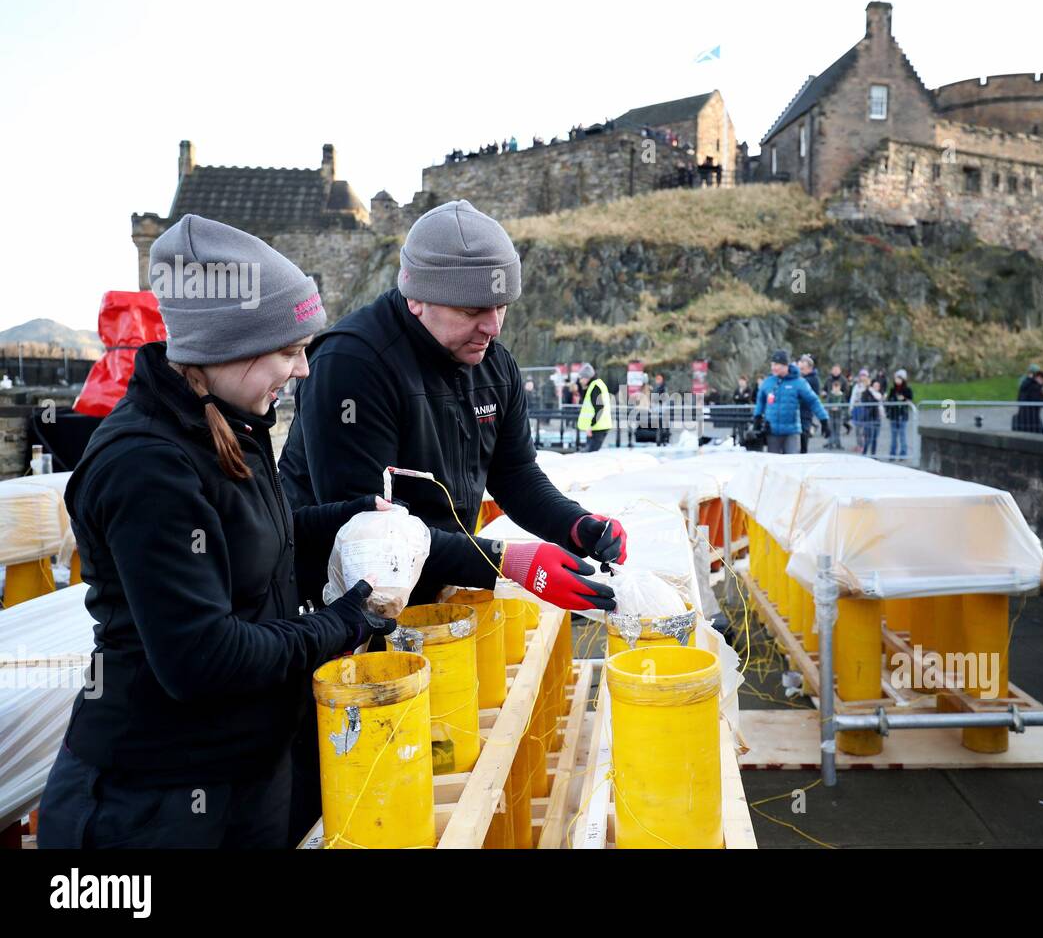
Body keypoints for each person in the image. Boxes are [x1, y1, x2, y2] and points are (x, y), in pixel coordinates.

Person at [37, 215, 395, 849]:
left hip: (247, 775)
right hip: (155, 802)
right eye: (289, 350)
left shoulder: (234, 419)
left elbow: (258, 543)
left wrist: (350, 516)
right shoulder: (145, 464)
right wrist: (346, 622)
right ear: (225, 346)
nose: (306, 370)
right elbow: (201, 656)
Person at [277, 200, 627, 842]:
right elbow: (369, 542)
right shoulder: (352, 364)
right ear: (417, 298)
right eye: (473, 310)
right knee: (349, 788)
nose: (492, 326)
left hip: (438, 587)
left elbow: (515, 474)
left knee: (445, 763)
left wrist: (576, 526)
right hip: (336, 604)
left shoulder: (491, 362)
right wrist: (509, 563)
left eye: (500, 309)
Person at [753, 349, 828, 454]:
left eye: (776, 364)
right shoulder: (768, 382)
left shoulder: (799, 382)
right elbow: (760, 401)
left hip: (791, 432)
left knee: (791, 463)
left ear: (785, 366)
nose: (773, 368)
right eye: (772, 364)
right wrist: (757, 417)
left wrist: (824, 419)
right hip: (772, 431)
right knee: (773, 463)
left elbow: (813, 401)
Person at [576, 363, 611, 451]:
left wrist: (591, 426)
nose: (580, 381)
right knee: (589, 456)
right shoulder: (596, 385)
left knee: (590, 456)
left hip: (597, 428)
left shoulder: (595, 387)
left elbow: (599, 408)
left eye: (581, 378)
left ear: (587, 377)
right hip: (597, 427)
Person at [851, 372, 885, 456]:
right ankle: (864, 453)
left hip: (877, 417)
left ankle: (873, 454)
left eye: (878, 386)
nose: (876, 387)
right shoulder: (866, 393)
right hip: (869, 418)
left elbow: (880, 401)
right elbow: (865, 401)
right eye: (875, 385)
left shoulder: (879, 394)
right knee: (868, 438)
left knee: (875, 438)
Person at [885, 369, 914, 457]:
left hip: (902, 415)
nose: (897, 380)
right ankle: (892, 453)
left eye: (899, 378)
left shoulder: (907, 389)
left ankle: (903, 453)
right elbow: (889, 400)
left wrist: (903, 398)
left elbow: (910, 398)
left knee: (902, 435)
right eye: (896, 379)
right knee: (894, 436)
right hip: (894, 415)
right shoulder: (893, 389)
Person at [796, 354, 821, 453]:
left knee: (804, 434)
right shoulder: (805, 378)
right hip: (802, 411)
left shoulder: (811, 379)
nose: (800, 369)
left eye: (803, 367)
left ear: (809, 367)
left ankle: (803, 453)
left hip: (805, 411)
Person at [1014, 369, 1043, 433]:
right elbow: (1038, 402)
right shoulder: (1035, 387)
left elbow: (1019, 398)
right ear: (1039, 378)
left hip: (1023, 414)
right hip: (1032, 416)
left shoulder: (1026, 383)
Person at [824, 378, 846, 449]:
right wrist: (831, 408)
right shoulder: (830, 395)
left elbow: (844, 405)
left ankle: (838, 444)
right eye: (835, 387)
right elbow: (827, 403)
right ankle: (830, 443)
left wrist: (839, 408)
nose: (836, 388)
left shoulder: (842, 395)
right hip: (831, 414)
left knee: (837, 430)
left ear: (840, 387)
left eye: (837, 387)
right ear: (833, 387)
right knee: (831, 429)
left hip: (839, 415)